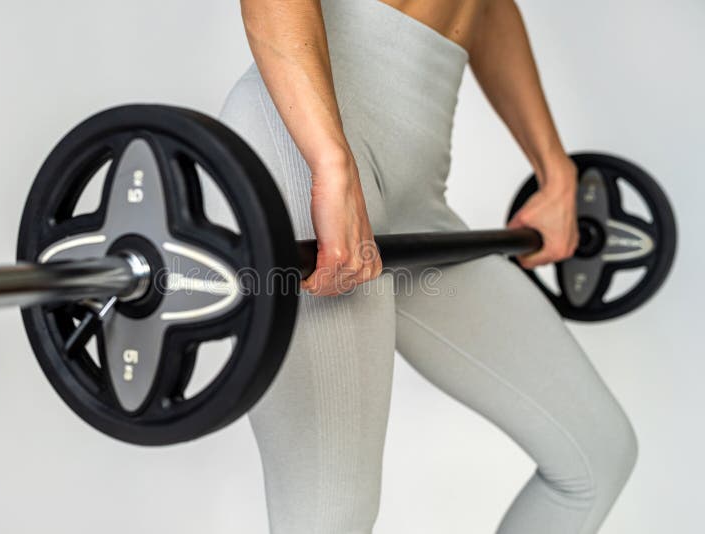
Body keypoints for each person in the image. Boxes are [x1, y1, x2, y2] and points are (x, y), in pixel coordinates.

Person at [208, 1, 638, 532]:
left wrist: (555, 170)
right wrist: (330, 162)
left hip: (416, 197)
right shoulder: (323, 160)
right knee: (329, 516)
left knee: (596, 453)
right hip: (307, 145)